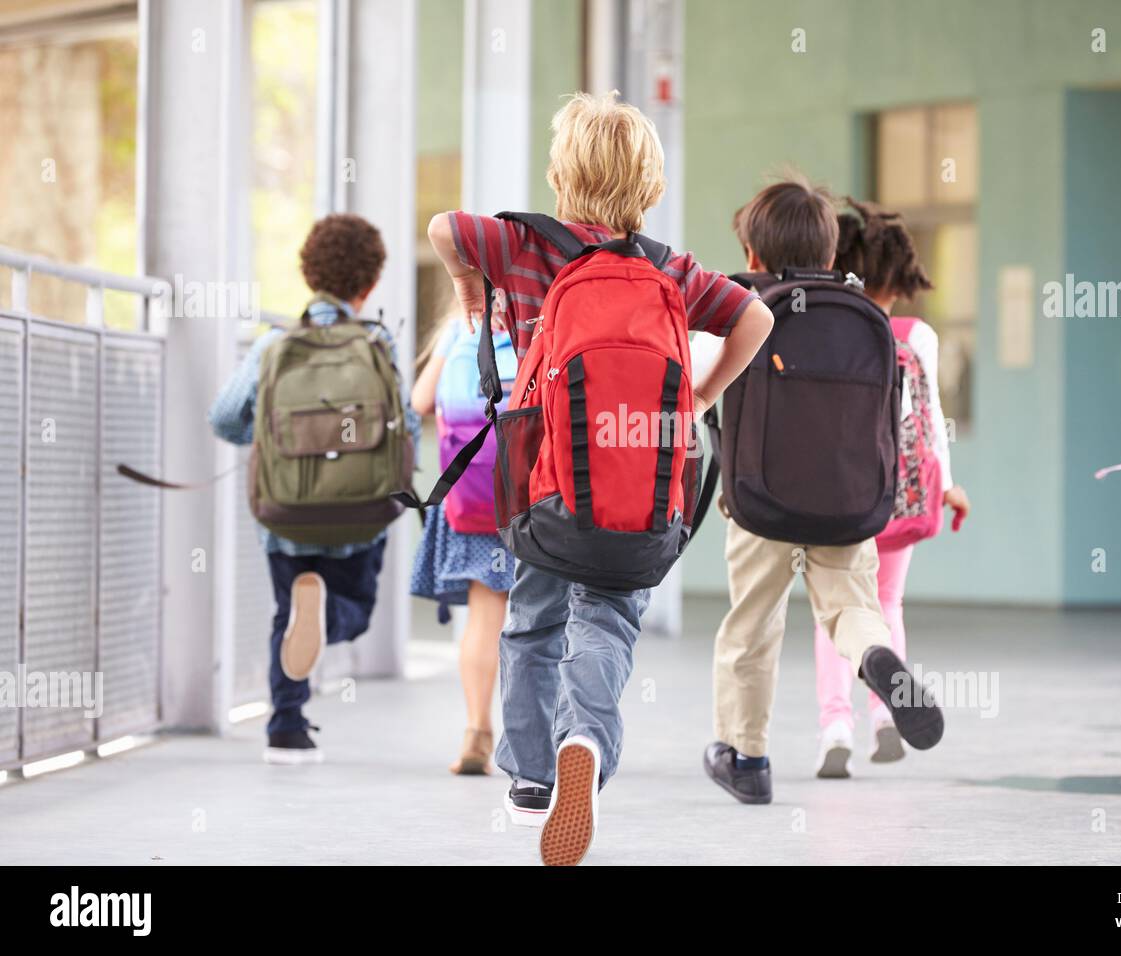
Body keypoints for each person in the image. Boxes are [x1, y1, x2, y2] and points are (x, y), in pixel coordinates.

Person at [425, 92, 773, 861]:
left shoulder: (517, 246)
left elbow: (443, 228)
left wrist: (469, 290)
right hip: (643, 492)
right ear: (648, 188)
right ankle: (584, 738)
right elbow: (757, 318)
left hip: (546, 488)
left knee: (533, 619)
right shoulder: (670, 270)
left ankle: (529, 778)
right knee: (609, 620)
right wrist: (701, 397)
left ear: (560, 175)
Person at [704, 179, 944, 808]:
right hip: (847, 502)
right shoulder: (863, 314)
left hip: (761, 503)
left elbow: (702, 387)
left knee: (751, 628)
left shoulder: (745, 307)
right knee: (851, 609)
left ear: (753, 255)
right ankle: (874, 655)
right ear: (832, 251)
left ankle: (746, 757)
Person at [209, 213, 420, 765]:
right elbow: (409, 428)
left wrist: (274, 438)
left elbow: (225, 418)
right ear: (369, 282)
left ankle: (286, 728)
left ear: (308, 274)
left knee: (287, 614)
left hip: (286, 510)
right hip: (361, 509)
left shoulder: (273, 347)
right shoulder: (377, 343)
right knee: (355, 608)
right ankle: (327, 619)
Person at [812, 200, 971, 776]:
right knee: (885, 604)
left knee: (833, 612)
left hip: (837, 493)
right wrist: (948, 486)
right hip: (899, 494)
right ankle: (887, 715)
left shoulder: (831, 325)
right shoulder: (918, 334)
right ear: (902, 276)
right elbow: (930, 419)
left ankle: (835, 726)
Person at [409, 317, 516, 775]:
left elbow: (419, 401)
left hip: (473, 499)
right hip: (535, 502)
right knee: (550, 620)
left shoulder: (456, 332)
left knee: (483, 620)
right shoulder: (539, 321)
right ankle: (549, 737)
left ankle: (477, 730)